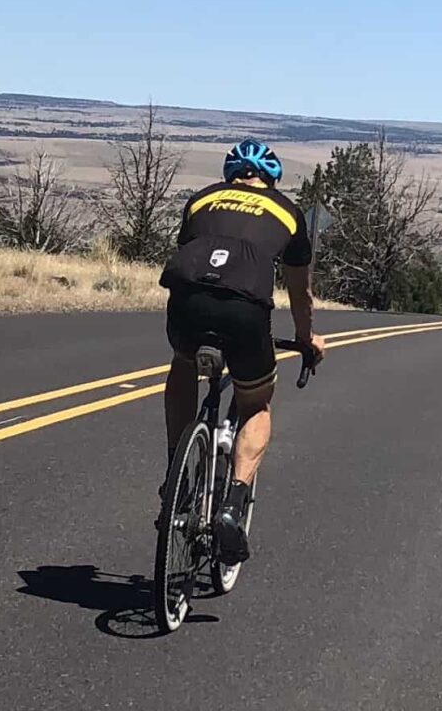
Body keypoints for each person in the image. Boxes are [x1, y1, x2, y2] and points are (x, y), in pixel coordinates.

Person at [158, 139, 327, 564]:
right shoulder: (286, 212)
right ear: (270, 178)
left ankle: (174, 472)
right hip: (245, 310)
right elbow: (299, 292)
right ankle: (232, 505)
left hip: (188, 302)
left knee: (182, 365)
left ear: (230, 173)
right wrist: (306, 338)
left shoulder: (201, 200)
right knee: (256, 405)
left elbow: (190, 249)